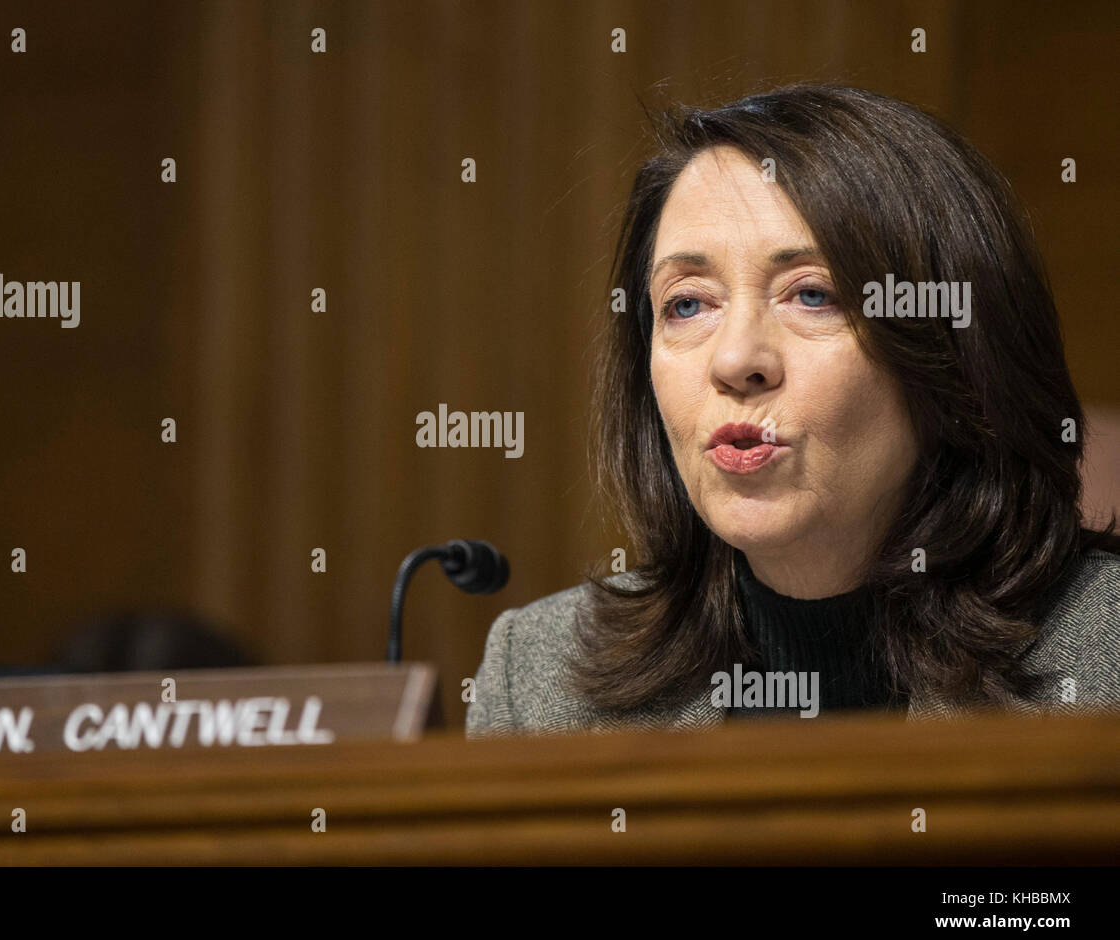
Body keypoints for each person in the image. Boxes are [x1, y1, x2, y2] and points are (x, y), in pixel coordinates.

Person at [466, 83, 1120, 737]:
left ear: (953, 351)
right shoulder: (539, 675)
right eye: (688, 304)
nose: (735, 361)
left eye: (811, 295)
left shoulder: (1102, 657)